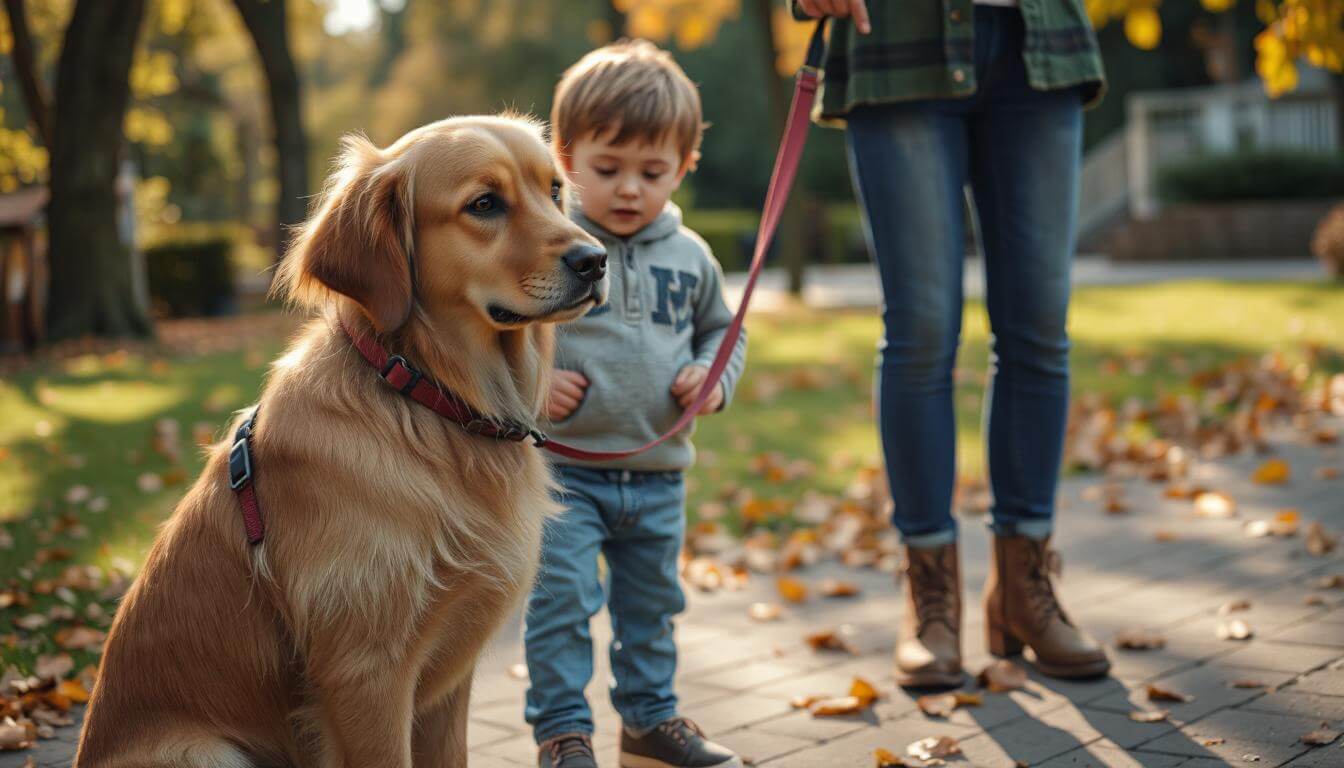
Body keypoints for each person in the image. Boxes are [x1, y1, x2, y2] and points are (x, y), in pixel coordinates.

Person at [792, 0, 1112, 687]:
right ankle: (929, 597)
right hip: (898, 39)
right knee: (922, 331)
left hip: (1039, 40)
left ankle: (1024, 590)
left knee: (1039, 331)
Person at [523, 40, 748, 768]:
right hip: (564, 476)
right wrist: (532, 386)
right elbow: (498, 336)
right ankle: (563, 735)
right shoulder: (550, 248)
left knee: (652, 611)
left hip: (658, 473)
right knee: (560, 608)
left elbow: (724, 328)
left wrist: (714, 375)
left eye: (651, 173)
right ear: (564, 158)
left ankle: (650, 724)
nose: (628, 190)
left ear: (683, 167)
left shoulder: (693, 257)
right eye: (607, 169)